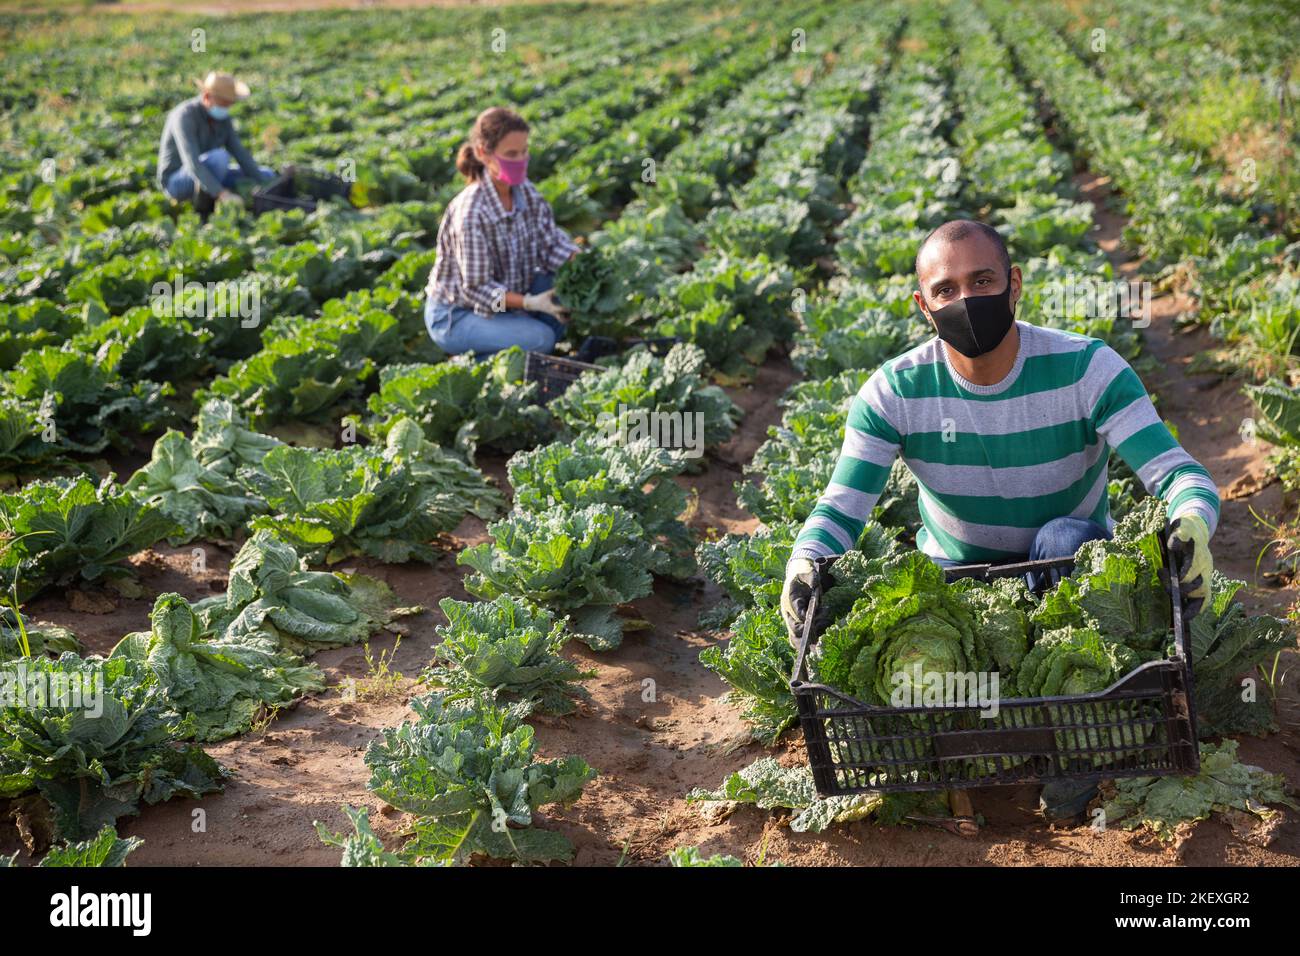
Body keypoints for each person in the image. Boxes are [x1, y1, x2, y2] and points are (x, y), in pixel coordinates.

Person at [779, 219, 1219, 823]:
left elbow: (1178, 475)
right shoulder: (894, 393)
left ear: (1014, 285)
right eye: (946, 290)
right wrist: (804, 559)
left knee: (1062, 537)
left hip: (1066, 569)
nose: (966, 301)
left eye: (982, 281)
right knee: (902, 631)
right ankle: (961, 762)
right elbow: (841, 508)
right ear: (924, 306)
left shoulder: (1087, 369)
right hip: (960, 577)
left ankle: (1078, 756)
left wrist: (1192, 523)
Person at [423, 106, 579, 358]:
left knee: (565, 291)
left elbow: (550, 245)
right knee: (541, 338)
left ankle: (519, 344)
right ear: (484, 154)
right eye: (511, 154)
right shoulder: (472, 213)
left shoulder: (525, 191)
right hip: (459, 314)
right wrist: (530, 303)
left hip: (504, 303)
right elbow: (476, 290)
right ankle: (473, 364)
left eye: (524, 151)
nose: (520, 160)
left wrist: (581, 260)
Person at [157, 71, 275, 214]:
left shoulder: (223, 120)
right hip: (177, 181)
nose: (226, 108)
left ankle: (218, 193)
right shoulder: (184, 116)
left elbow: (240, 154)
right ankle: (203, 207)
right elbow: (192, 163)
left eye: (229, 104)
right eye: (223, 104)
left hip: (212, 172)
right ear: (207, 97)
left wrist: (262, 181)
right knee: (219, 158)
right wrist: (222, 194)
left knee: (267, 174)